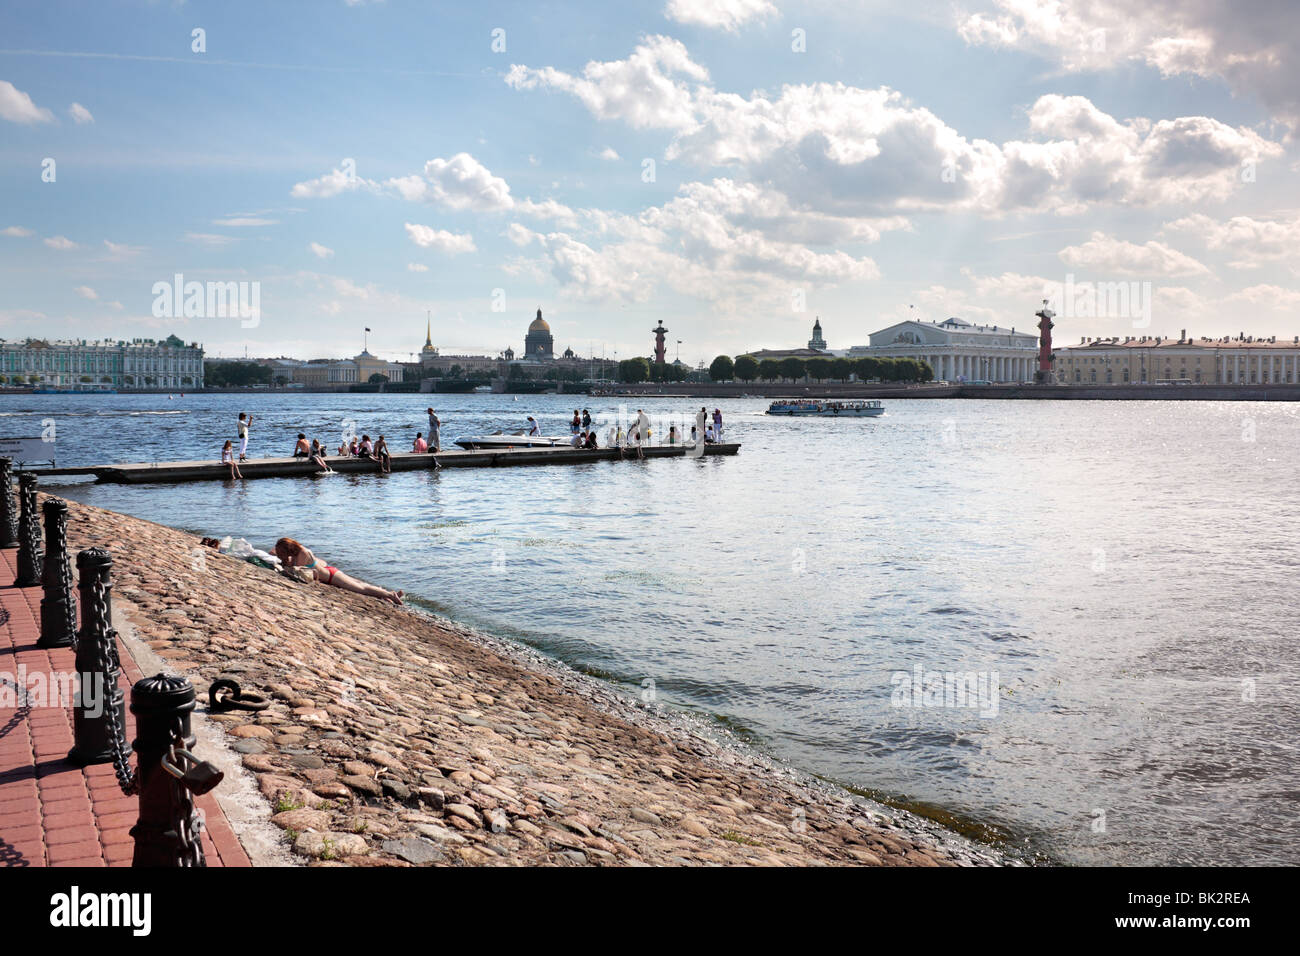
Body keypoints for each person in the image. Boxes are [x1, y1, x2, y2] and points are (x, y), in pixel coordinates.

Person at [273, 537, 403, 606]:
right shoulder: (295, 554)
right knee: (360, 585)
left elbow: (303, 574)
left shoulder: (303, 553)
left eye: (281, 552)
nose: (280, 555)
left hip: (332, 576)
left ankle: (391, 594)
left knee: (361, 589)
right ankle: (386, 597)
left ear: (287, 549)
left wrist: (288, 565)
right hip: (328, 573)